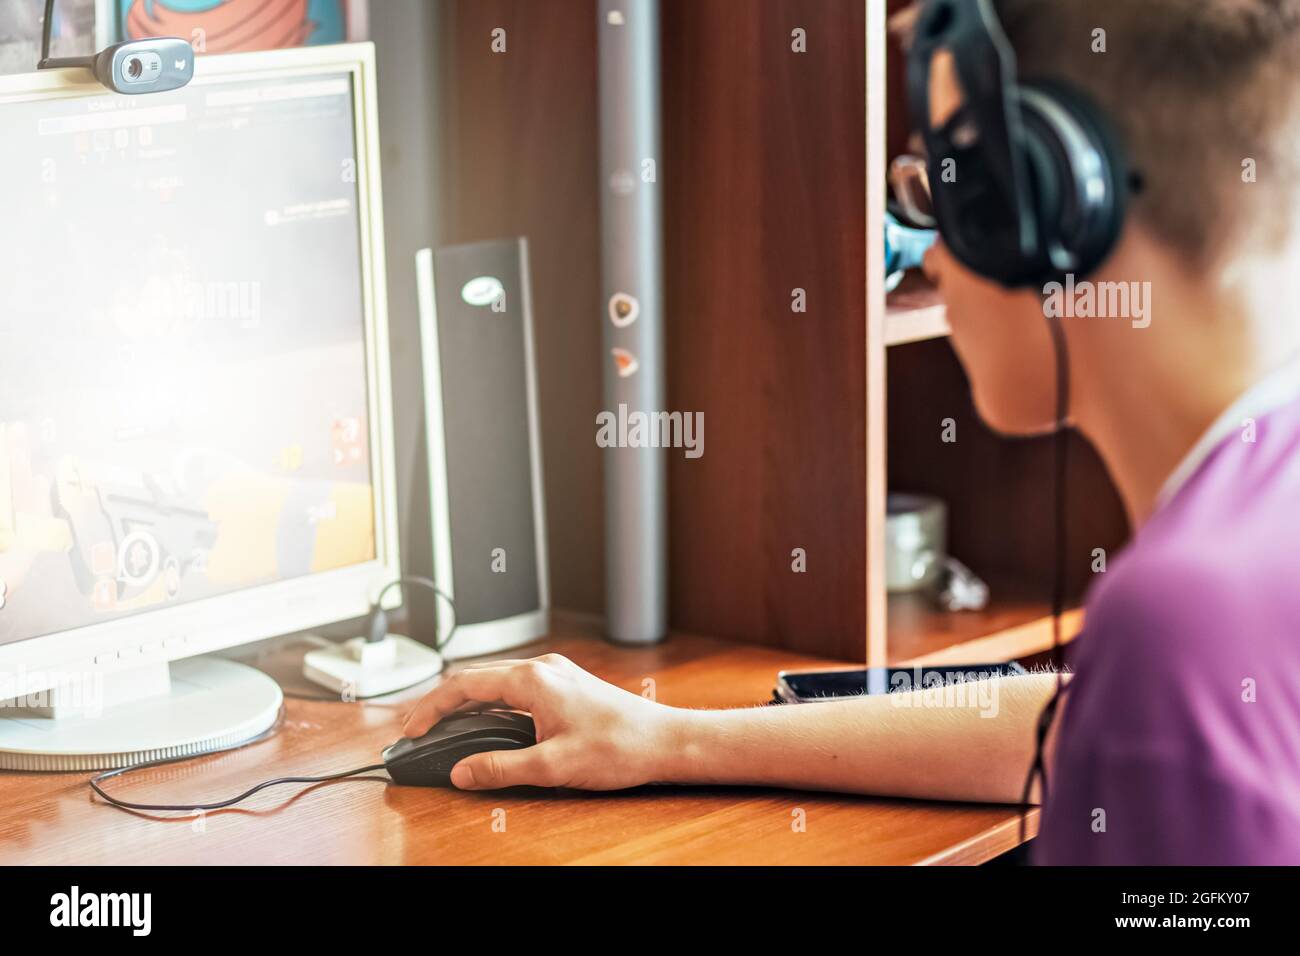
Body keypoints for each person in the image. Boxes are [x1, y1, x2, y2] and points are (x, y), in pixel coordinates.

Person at [402, 0, 1300, 865]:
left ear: (1043, 210)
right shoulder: (1246, 568)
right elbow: (1089, 724)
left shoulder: (1190, 618)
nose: (935, 254)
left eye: (949, 190)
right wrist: (668, 739)